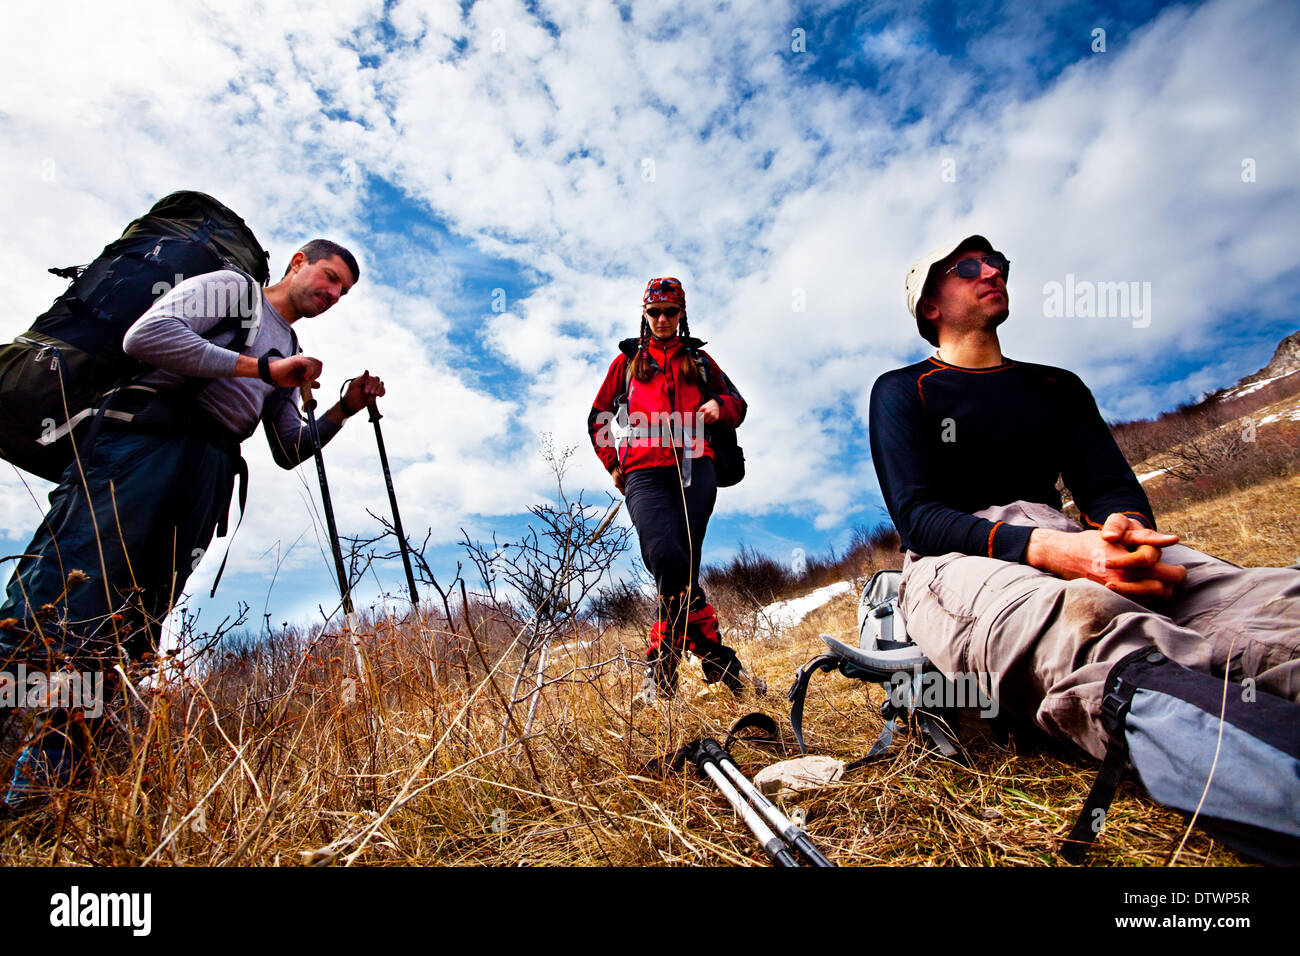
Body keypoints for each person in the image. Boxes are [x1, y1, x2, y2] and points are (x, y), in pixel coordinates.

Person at [868, 234, 1299, 762]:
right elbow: (919, 519)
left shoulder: (1057, 387)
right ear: (930, 305)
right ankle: (1233, 751)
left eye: (997, 263)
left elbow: (1107, 486)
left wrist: (1128, 531)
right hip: (956, 557)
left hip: (1072, 533)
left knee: (1251, 600)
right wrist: (1049, 551)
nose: (992, 273)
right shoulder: (901, 389)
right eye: (969, 267)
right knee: (1075, 619)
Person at [1, 239, 385, 809]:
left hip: (205, 475)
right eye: (328, 277)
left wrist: (344, 407)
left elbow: (288, 446)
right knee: (57, 602)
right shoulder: (233, 291)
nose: (331, 295)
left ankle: (39, 797)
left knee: (126, 632)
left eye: (342, 293)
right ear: (299, 263)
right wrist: (262, 366)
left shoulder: (291, 346)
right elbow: (147, 337)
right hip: (141, 448)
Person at [588, 277, 763, 702]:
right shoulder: (627, 362)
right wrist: (613, 464)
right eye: (655, 312)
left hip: (694, 466)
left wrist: (719, 407)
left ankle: (664, 676)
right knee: (666, 556)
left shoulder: (700, 361)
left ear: (682, 313)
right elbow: (598, 417)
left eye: (671, 311)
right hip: (643, 472)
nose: (663, 319)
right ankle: (711, 658)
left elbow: (737, 403)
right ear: (644, 315)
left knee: (681, 567)